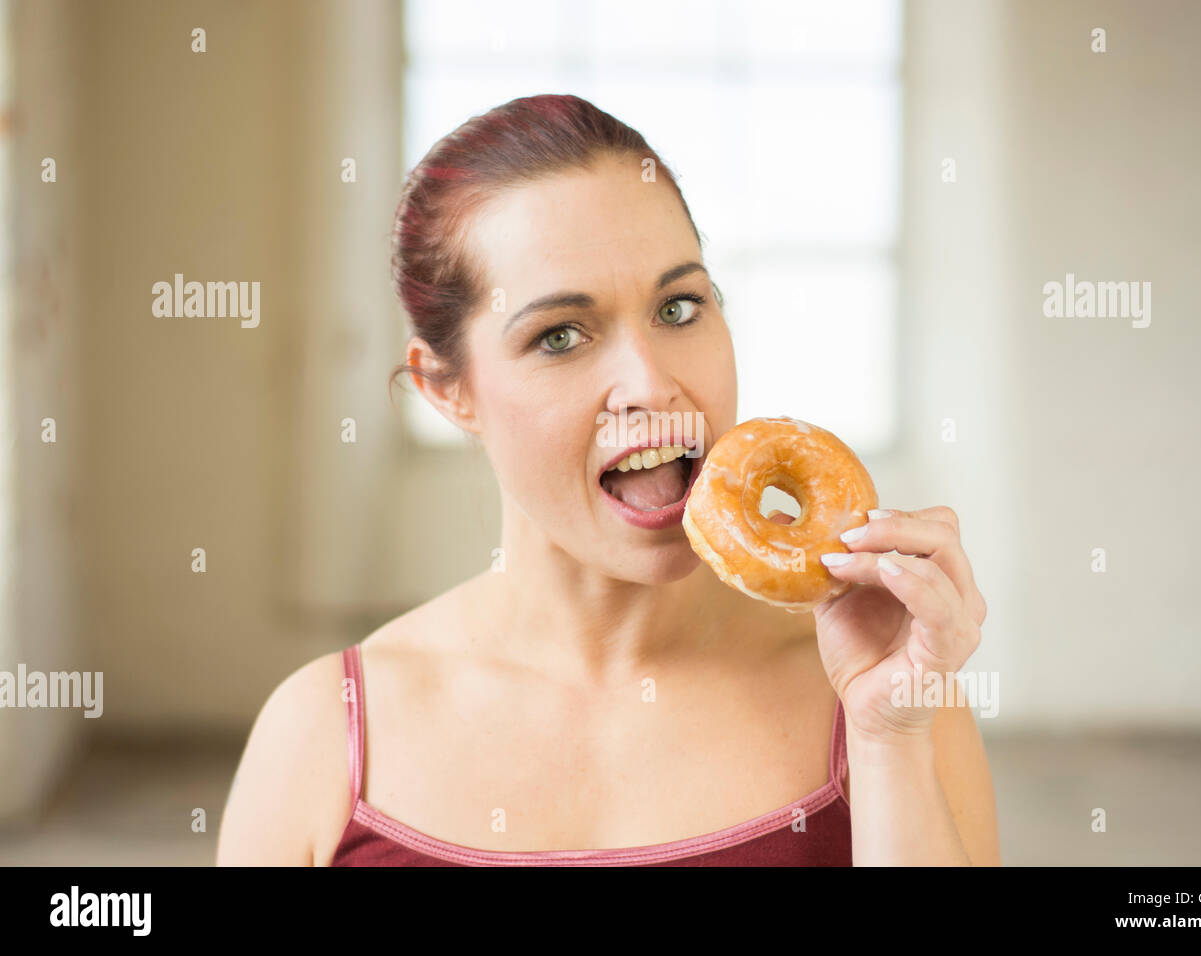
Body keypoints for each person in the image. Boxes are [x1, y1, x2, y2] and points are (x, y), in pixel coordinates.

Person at [216, 94, 998, 866]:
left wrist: (888, 739)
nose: (649, 383)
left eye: (679, 306)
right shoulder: (326, 734)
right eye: (560, 335)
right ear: (448, 390)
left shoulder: (887, 691)